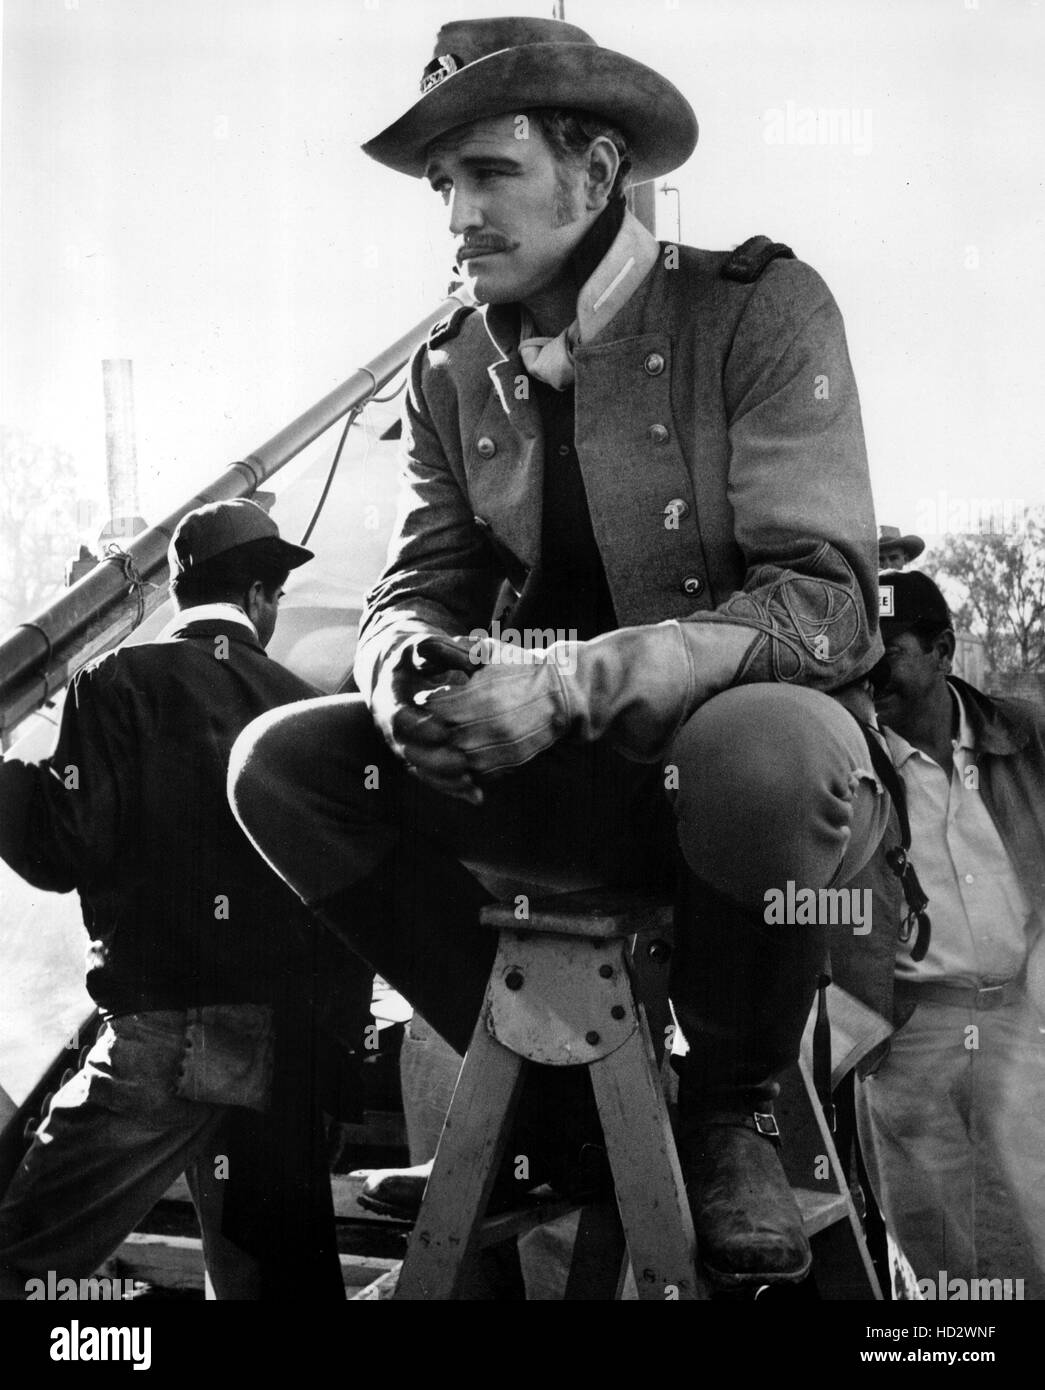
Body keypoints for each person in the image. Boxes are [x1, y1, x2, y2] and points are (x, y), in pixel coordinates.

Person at [229, 16, 890, 1289]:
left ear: (593, 173)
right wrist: (407, 669)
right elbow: (418, 578)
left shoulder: (759, 311)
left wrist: (562, 684)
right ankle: (550, 1105)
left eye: (488, 173)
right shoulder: (449, 373)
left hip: (747, 807)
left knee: (763, 754)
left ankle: (731, 1105)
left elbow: (827, 609)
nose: (456, 214)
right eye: (443, 187)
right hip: (555, 790)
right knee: (281, 764)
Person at [0, 499, 363, 1301]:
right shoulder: (304, 708)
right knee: (277, 1287)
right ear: (265, 597)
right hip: (283, 1043)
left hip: (162, 1031)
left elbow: (65, 851)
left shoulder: (119, 681)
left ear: (176, 589)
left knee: (26, 1258)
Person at [856, 570, 1045, 1293]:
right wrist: (865, 1034)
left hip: (1021, 1026)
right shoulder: (850, 760)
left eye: (889, 651)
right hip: (908, 1036)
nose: (869, 675)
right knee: (938, 1263)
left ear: (942, 650)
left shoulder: (1024, 736)